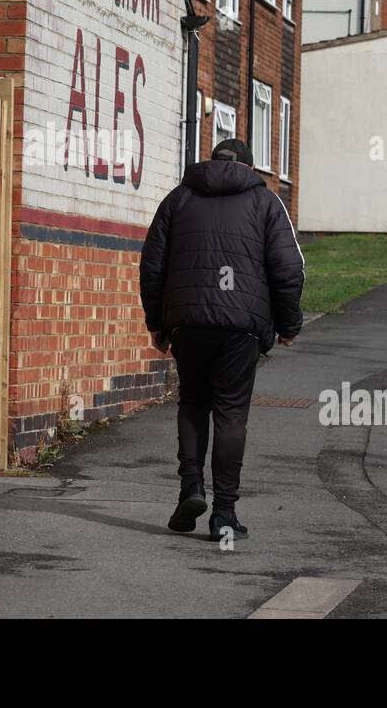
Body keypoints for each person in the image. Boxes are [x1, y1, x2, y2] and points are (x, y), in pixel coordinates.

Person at [139, 138, 305, 541]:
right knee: (230, 413)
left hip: (189, 323)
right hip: (240, 327)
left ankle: (190, 489)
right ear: (249, 167)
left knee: (193, 402)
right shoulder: (266, 203)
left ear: (212, 162)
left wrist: (158, 323)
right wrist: (289, 324)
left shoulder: (178, 199)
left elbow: (152, 266)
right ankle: (225, 515)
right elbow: (288, 268)